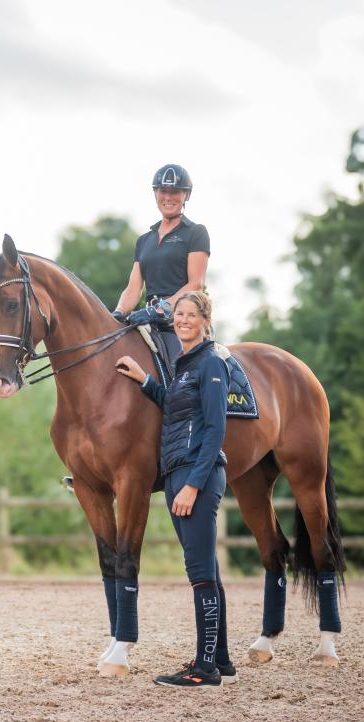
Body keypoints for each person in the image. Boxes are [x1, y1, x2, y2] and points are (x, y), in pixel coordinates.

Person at [115, 291, 236, 688]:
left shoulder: (212, 362)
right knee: (207, 571)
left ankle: (204, 669)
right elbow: (177, 407)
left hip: (195, 476)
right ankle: (221, 659)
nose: (182, 320)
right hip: (178, 474)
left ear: (204, 320)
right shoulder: (184, 366)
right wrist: (145, 379)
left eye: (190, 315)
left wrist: (193, 487)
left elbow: (216, 428)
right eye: (178, 314)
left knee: (200, 572)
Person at [112, 164, 210, 363]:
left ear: (186, 196)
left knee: (182, 377)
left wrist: (158, 310)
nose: (168, 197)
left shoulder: (195, 232)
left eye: (175, 192)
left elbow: (196, 284)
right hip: (149, 321)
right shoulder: (144, 240)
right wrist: (118, 314)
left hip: (182, 320)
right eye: (163, 191)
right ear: (155, 193)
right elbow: (133, 289)